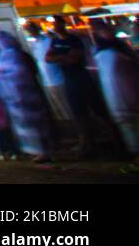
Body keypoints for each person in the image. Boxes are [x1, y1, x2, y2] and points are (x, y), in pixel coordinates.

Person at [45, 15, 111, 156]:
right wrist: (63, 57)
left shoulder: (74, 40)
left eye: (56, 24)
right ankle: (88, 143)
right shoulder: (54, 41)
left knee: (98, 111)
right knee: (78, 113)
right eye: (53, 24)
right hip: (69, 80)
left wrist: (59, 58)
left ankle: (114, 140)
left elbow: (73, 59)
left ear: (63, 24)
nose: (54, 27)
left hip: (82, 78)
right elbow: (48, 58)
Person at [0, 29, 53, 165]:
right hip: (19, 98)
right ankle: (37, 151)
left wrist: (0, 77)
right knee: (31, 125)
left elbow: (19, 72)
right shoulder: (13, 54)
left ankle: (43, 152)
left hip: (24, 97)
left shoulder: (13, 55)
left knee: (35, 125)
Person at [91, 21, 139, 166]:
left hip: (128, 89)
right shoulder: (101, 51)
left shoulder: (119, 50)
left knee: (130, 121)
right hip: (115, 91)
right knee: (126, 123)